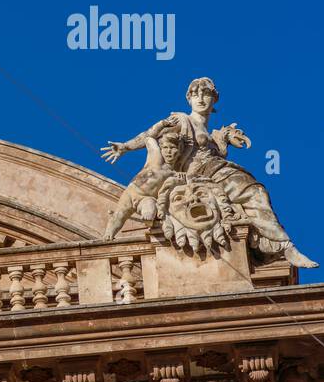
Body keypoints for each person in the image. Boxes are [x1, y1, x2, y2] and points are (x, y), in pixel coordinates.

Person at [102, 77, 316, 267]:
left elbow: (216, 151)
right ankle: (286, 247)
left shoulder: (211, 134)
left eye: (206, 94)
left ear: (214, 100)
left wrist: (225, 139)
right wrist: (126, 146)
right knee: (254, 192)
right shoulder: (182, 120)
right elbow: (151, 134)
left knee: (257, 192)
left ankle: (280, 244)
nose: (201, 98)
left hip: (217, 170)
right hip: (202, 174)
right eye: (195, 94)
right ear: (189, 99)